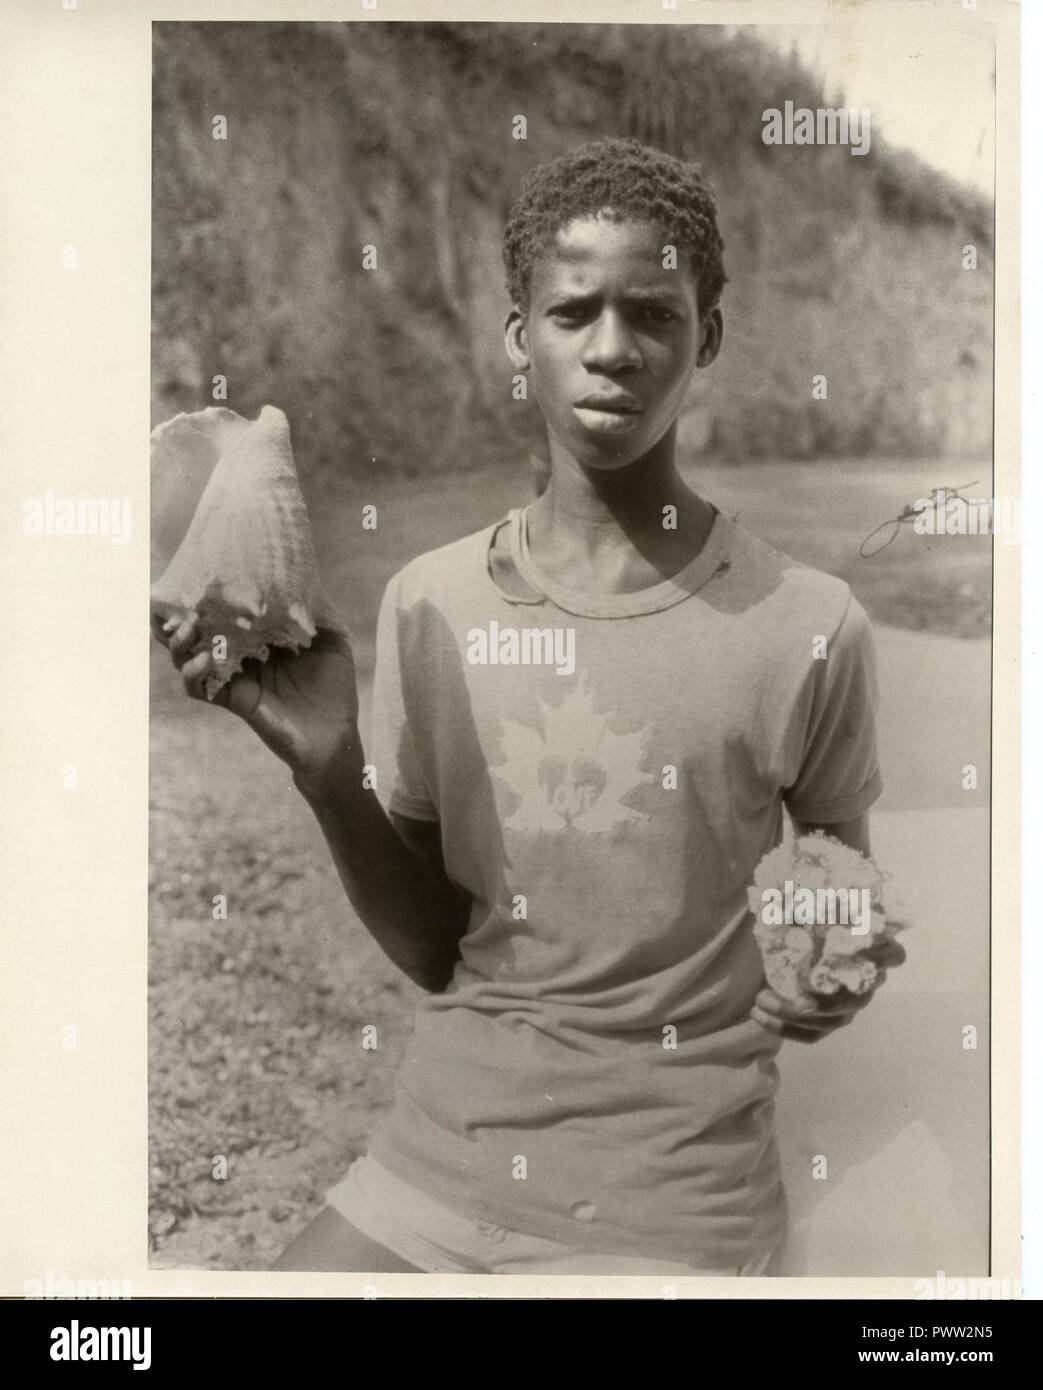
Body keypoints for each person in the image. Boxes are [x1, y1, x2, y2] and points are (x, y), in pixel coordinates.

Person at [154, 137, 905, 1276]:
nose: (612, 349)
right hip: (433, 1160)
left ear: (705, 336)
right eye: (572, 313)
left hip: (669, 1206)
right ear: (519, 339)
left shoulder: (808, 626)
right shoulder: (430, 604)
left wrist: (830, 962)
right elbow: (436, 947)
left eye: (652, 313)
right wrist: (326, 766)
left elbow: (832, 935)